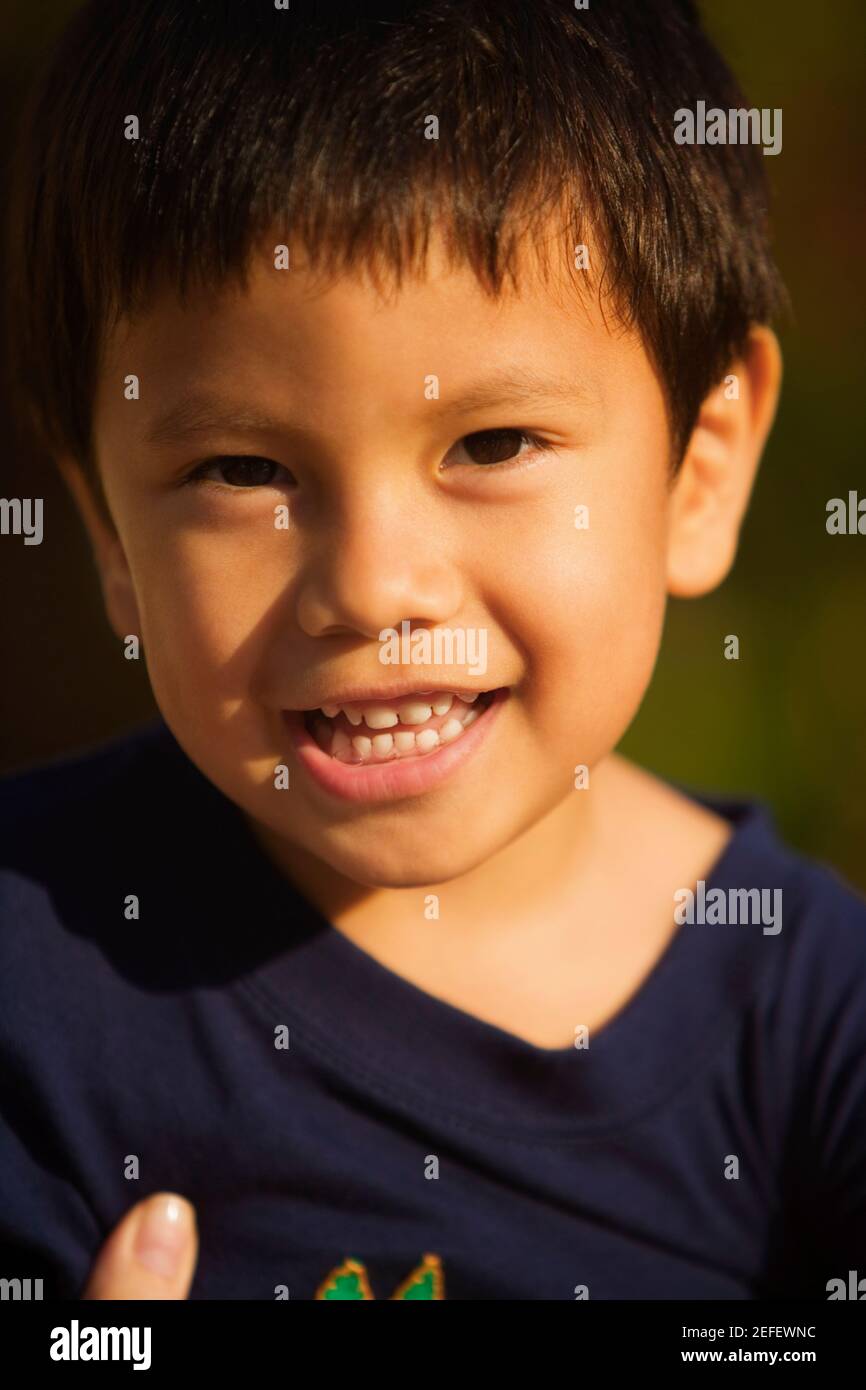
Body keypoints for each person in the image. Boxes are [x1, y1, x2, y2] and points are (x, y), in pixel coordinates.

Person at [2, 0, 864, 1301]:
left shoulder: (816, 1024)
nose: (367, 585)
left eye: (492, 445)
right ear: (110, 533)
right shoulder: (28, 977)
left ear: (699, 466)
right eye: (242, 468)